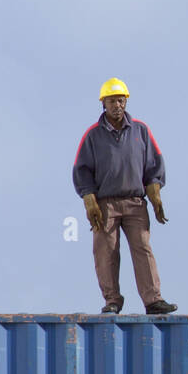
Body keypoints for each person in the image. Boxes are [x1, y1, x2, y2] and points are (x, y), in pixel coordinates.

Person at [72, 77, 177, 315]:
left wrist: (156, 195)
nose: (117, 105)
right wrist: (90, 201)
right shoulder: (92, 135)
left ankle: (153, 300)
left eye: (120, 100)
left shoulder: (140, 130)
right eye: (112, 101)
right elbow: (82, 170)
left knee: (143, 248)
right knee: (105, 253)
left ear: (126, 101)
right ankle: (112, 301)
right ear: (103, 104)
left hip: (135, 203)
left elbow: (154, 165)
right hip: (105, 205)